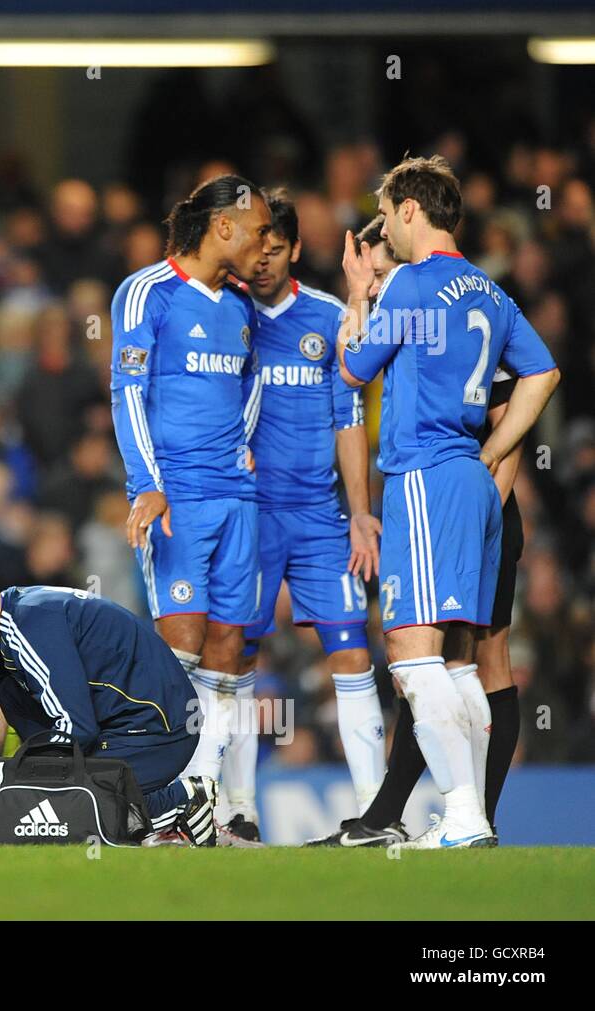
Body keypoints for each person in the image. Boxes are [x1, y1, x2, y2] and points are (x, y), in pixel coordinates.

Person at [336, 155, 560, 849]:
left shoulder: (409, 283)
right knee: (459, 662)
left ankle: (463, 815)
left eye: (385, 211)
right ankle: (471, 816)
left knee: (410, 651)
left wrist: (357, 294)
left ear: (410, 210)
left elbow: (352, 365)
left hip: (425, 479)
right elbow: (543, 371)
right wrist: (495, 452)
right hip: (471, 478)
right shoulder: (489, 291)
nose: (382, 230)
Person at [227, 191, 385, 842]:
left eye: (274, 249)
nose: (261, 262)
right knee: (237, 656)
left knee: (350, 653)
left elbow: (349, 418)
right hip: (251, 515)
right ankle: (238, 810)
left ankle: (377, 810)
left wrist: (359, 514)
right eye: (253, 249)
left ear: (293, 249)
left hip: (320, 516)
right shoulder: (226, 315)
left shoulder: (329, 317)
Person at [109, 175, 272, 788]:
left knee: (229, 646)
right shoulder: (146, 292)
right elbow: (127, 392)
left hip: (238, 497)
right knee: (180, 647)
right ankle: (155, 787)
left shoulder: (240, 303)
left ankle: (202, 793)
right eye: (257, 231)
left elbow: (251, 382)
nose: (265, 244)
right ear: (223, 226)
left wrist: (245, 446)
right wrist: (147, 483)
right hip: (177, 497)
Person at [0, 558, 218, 846]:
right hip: (126, 726)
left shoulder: (31, 626)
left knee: (48, 812)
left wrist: (13, 777)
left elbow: (77, 728)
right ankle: (95, 793)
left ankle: (181, 801)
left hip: (156, 736)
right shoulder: (15, 621)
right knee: (13, 696)